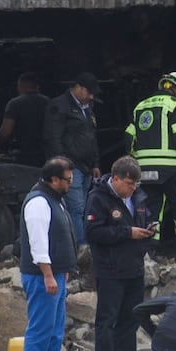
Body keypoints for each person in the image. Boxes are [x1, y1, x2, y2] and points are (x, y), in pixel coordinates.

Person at [84, 155, 156, 351]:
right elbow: (94, 233)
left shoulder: (138, 197)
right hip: (110, 269)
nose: (132, 188)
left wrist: (147, 233)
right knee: (107, 321)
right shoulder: (98, 198)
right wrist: (127, 233)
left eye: (135, 184)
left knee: (130, 320)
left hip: (134, 268)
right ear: (115, 178)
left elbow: (145, 219)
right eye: (128, 184)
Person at [19, 156, 78, 351]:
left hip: (55, 274)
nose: (70, 184)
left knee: (55, 328)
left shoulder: (55, 198)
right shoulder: (38, 202)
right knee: (41, 327)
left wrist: (61, 270)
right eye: (67, 180)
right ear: (54, 179)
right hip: (41, 276)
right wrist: (47, 273)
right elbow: (38, 241)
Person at [124, 71, 176, 255]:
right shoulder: (175, 105)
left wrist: (141, 158)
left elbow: (128, 138)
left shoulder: (140, 106)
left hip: (143, 168)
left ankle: (149, 254)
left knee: (150, 211)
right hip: (171, 167)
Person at [43, 72, 102, 245]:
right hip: (71, 166)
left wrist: (95, 163)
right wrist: (63, 166)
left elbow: (92, 136)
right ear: (77, 87)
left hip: (86, 167)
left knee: (83, 208)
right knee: (76, 208)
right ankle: (80, 248)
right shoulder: (59, 106)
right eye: (88, 92)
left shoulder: (87, 108)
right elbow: (53, 138)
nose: (91, 96)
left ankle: (81, 245)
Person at [0, 72, 49, 166]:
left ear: (20, 86)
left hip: (21, 156)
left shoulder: (15, 104)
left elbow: (5, 133)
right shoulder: (50, 103)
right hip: (44, 156)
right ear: (37, 87)